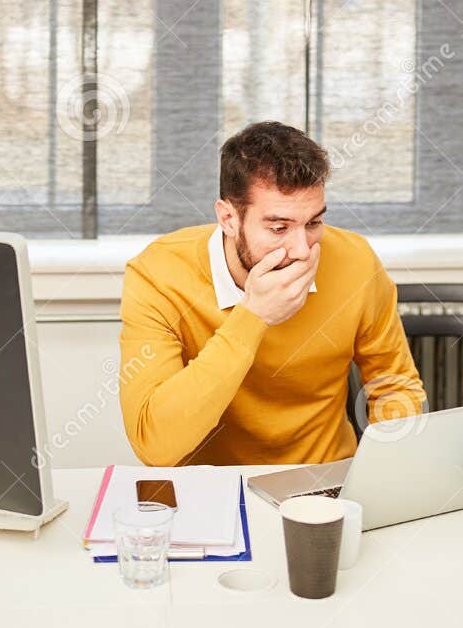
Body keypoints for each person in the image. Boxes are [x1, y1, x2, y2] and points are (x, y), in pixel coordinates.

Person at [119, 120, 426, 466]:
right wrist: (252, 317)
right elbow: (154, 447)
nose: (300, 249)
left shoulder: (355, 260)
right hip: (211, 490)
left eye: (313, 223)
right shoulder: (158, 274)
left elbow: (394, 386)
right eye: (279, 228)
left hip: (324, 483)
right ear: (229, 218)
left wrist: (384, 475)